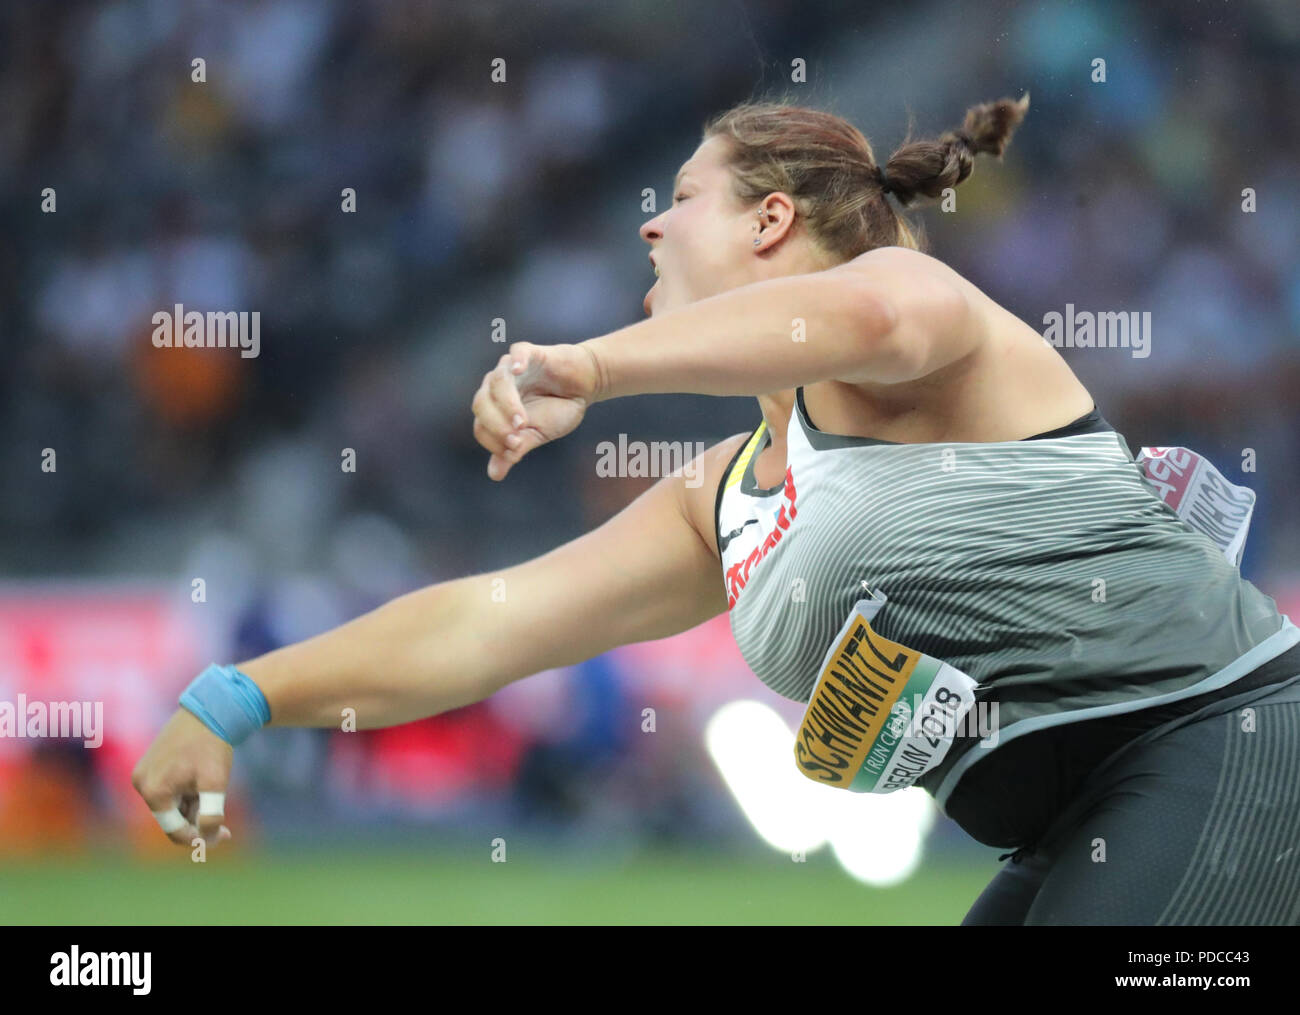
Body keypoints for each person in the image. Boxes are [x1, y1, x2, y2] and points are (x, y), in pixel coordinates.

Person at [132, 93, 1300, 924]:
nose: (648, 224)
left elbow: (861, 327)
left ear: (772, 221)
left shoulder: (911, 300)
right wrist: (237, 699)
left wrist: (589, 367)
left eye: (678, 196)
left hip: (1219, 741)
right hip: (1080, 817)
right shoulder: (722, 500)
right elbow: (485, 623)